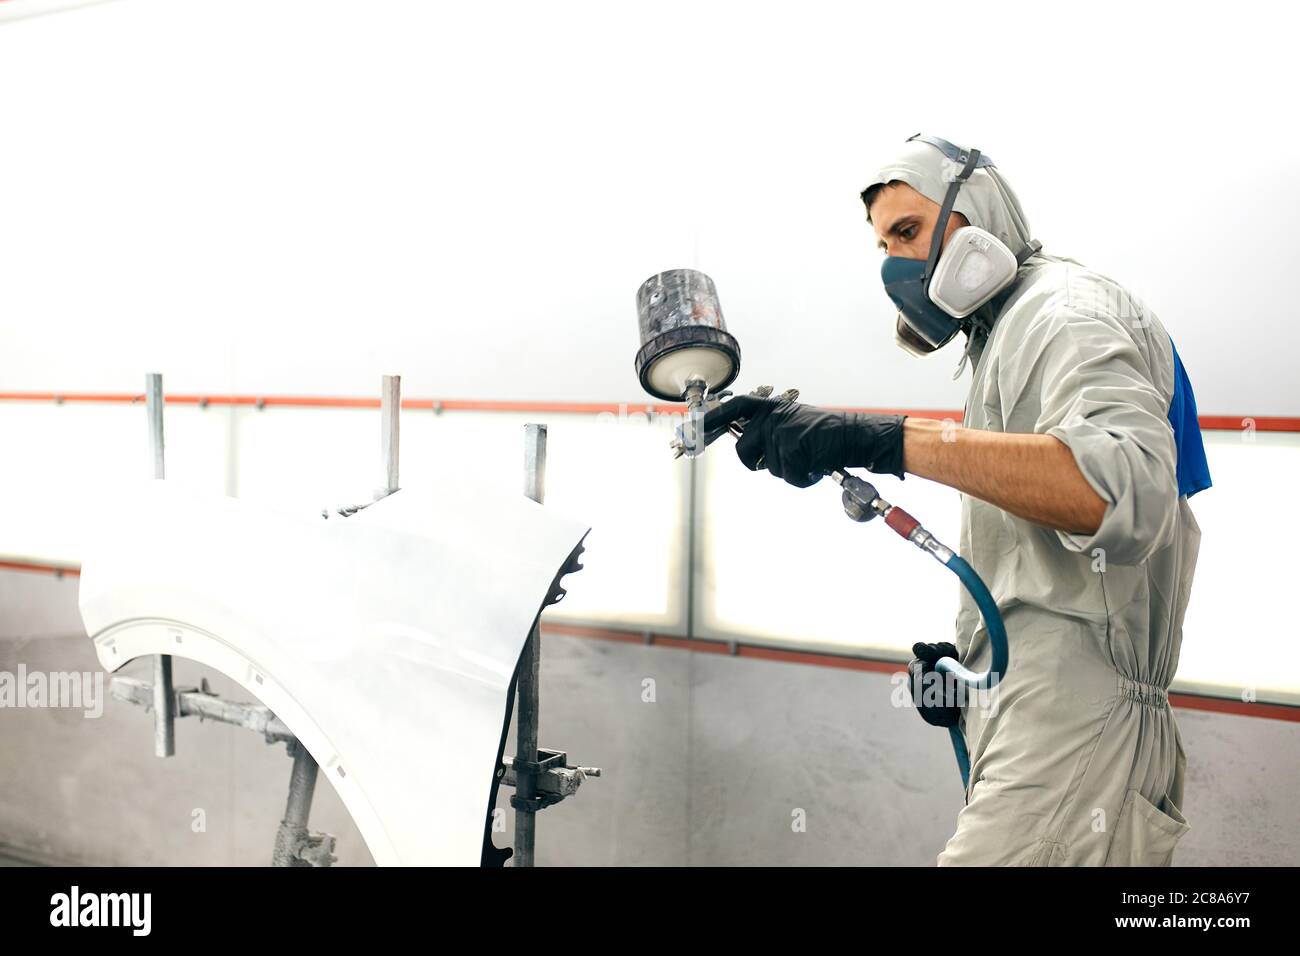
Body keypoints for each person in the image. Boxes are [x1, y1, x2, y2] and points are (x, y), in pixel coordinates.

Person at [706, 134, 1211, 866]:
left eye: (908, 232)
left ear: (974, 214)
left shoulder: (1064, 312)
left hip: (1079, 724)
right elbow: (1049, 556)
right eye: (883, 244)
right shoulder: (1009, 332)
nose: (895, 263)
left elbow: (1118, 495)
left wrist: (881, 439)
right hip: (1043, 717)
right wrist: (980, 685)